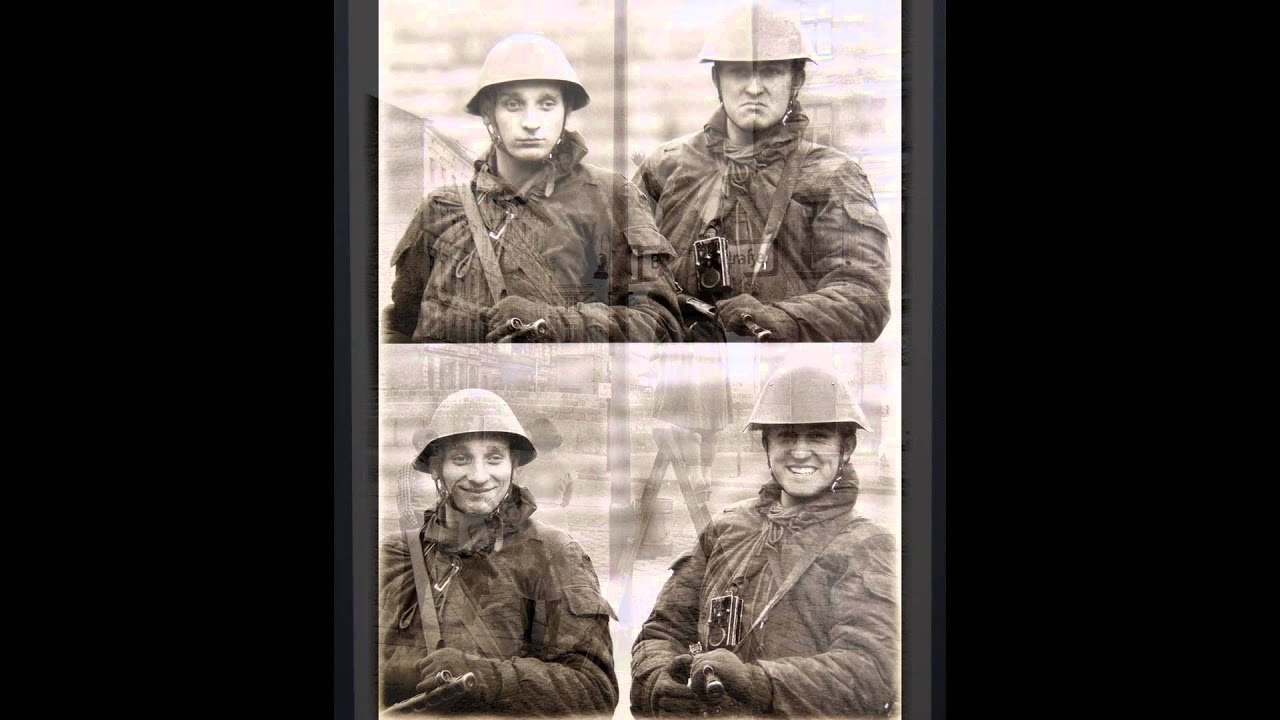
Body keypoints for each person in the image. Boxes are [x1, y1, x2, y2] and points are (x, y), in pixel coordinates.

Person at [630, 366, 899, 717]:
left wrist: (759, 683)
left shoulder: (867, 544)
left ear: (846, 448)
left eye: (818, 437)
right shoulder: (727, 528)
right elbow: (662, 629)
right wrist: (658, 680)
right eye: (786, 437)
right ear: (767, 446)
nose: (800, 452)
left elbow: (870, 673)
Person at [385, 32, 683, 343]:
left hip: (569, 389)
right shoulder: (440, 210)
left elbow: (660, 324)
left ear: (565, 111)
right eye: (513, 104)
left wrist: (552, 322)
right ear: (489, 114)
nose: (531, 121)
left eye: (546, 104)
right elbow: (403, 325)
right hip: (455, 391)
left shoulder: (610, 198)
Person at [632, 2, 892, 342]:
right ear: (717, 79)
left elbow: (864, 296)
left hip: (786, 376)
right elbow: (619, 280)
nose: (754, 87)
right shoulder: (665, 168)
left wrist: (778, 318)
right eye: (739, 72)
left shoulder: (832, 175)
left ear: (796, 79)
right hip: (681, 375)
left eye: (770, 71)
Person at [379, 389, 618, 715]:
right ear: (437, 468)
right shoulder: (394, 555)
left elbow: (595, 692)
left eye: (494, 458)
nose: (479, 477)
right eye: (460, 459)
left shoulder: (555, 555)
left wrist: (488, 677)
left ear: (514, 466)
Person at [516, 416, 577, 532]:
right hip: (555, 519)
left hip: (528, 517)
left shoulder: (522, 463)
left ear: (531, 438)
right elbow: (567, 500)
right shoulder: (566, 465)